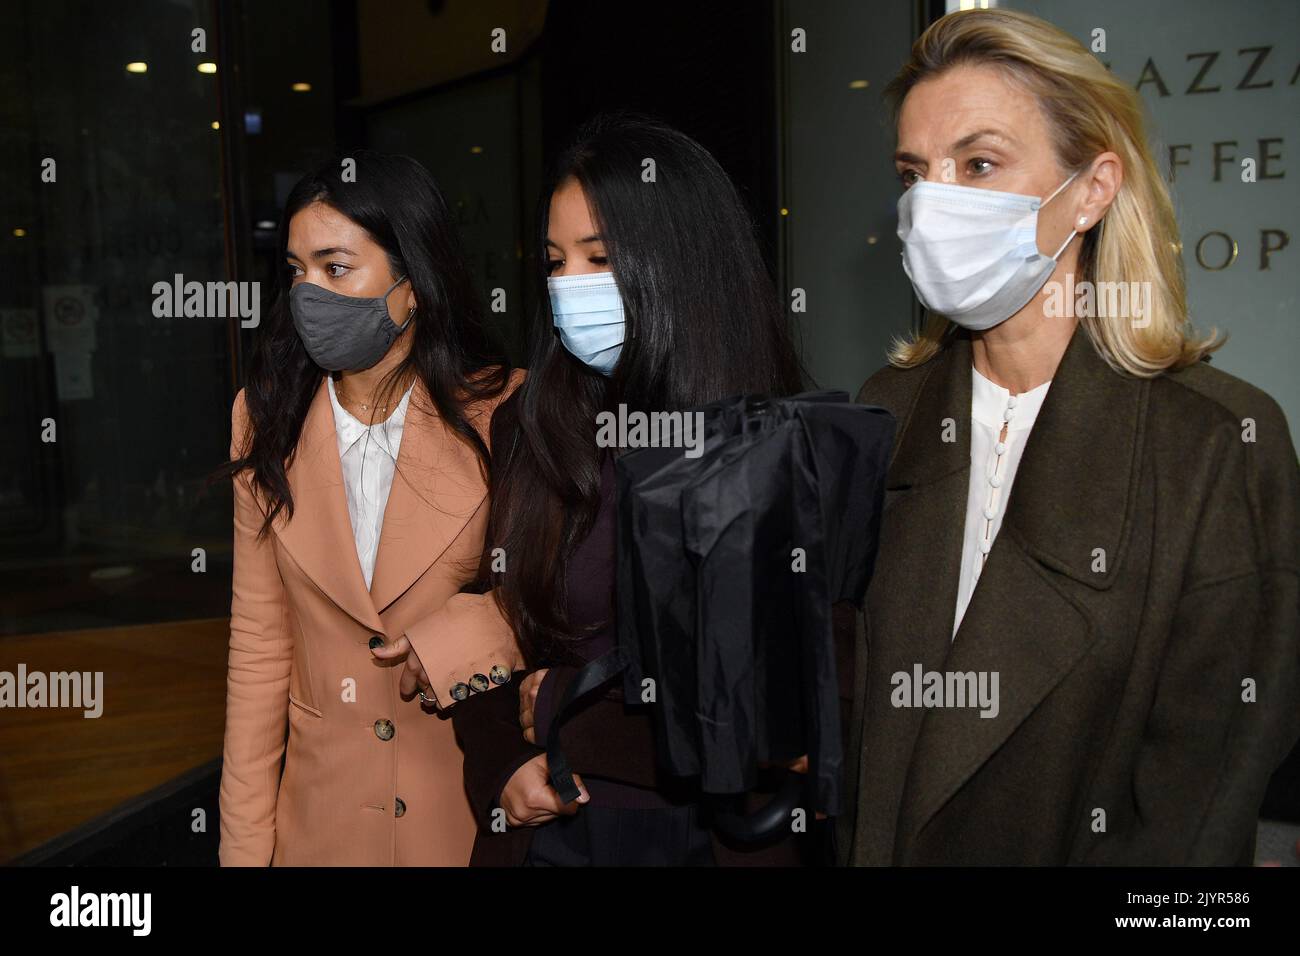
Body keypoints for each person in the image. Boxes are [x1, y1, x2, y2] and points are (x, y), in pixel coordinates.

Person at [839, 8, 1300, 866]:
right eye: (915, 173)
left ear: (1091, 190)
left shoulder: (1215, 444)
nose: (933, 203)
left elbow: (1202, 803)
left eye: (978, 164)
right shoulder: (888, 411)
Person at [451, 114, 832, 866]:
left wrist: (566, 712)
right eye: (556, 262)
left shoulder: (784, 441)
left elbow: (792, 711)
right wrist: (499, 759)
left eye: (600, 257)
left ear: (684, 263)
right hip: (554, 839)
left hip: (716, 840)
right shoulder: (529, 429)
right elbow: (493, 623)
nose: (570, 285)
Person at [218, 151, 522, 865]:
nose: (309, 294)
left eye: (335, 267)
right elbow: (260, 648)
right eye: (296, 271)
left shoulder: (506, 412)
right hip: (319, 826)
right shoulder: (262, 420)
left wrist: (449, 645)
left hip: (468, 810)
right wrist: (243, 849)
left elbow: (558, 603)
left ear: (412, 281)